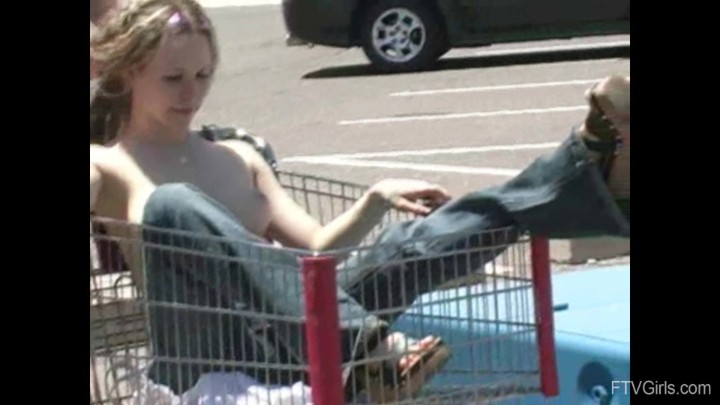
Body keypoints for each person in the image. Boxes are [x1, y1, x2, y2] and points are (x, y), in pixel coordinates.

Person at [89, 0, 629, 402]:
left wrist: (374, 200)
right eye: (173, 78)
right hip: (203, 360)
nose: (192, 93)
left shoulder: (237, 155)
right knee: (173, 204)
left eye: (203, 75)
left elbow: (317, 251)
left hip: (292, 345)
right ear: (128, 73)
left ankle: (588, 161)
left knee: (404, 245)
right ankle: (370, 350)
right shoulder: (106, 165)